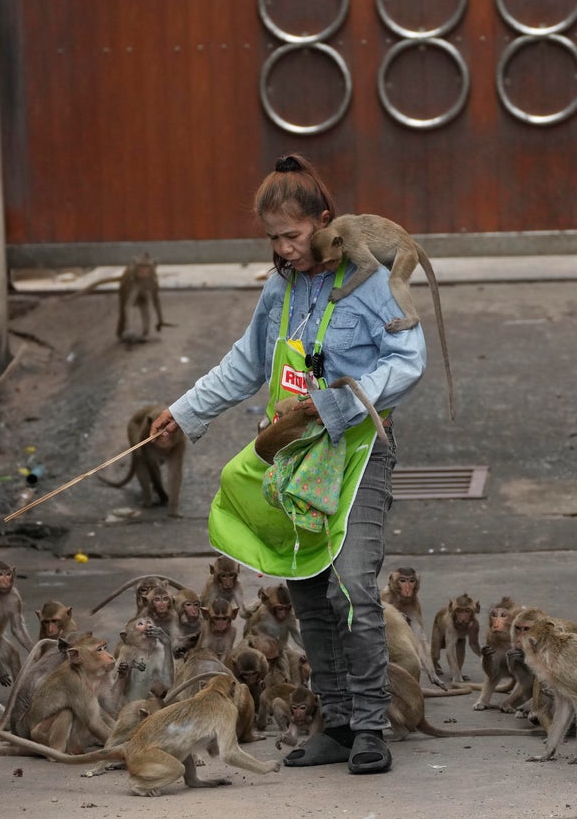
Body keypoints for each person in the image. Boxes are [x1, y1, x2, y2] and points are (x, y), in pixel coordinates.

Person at [150, 154, 426, 774]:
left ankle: (372, 728)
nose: (282, 248)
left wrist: (335, 404)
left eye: (292, 236)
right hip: (291, 458)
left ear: (324, 223)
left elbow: (408, 363)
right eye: (272, 237)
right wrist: (183, 412)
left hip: (356, 453)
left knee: (350, 586)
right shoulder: (281, 287)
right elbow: (246, 364)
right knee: (305, 588)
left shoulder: (373, 281)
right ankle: (337, 722)